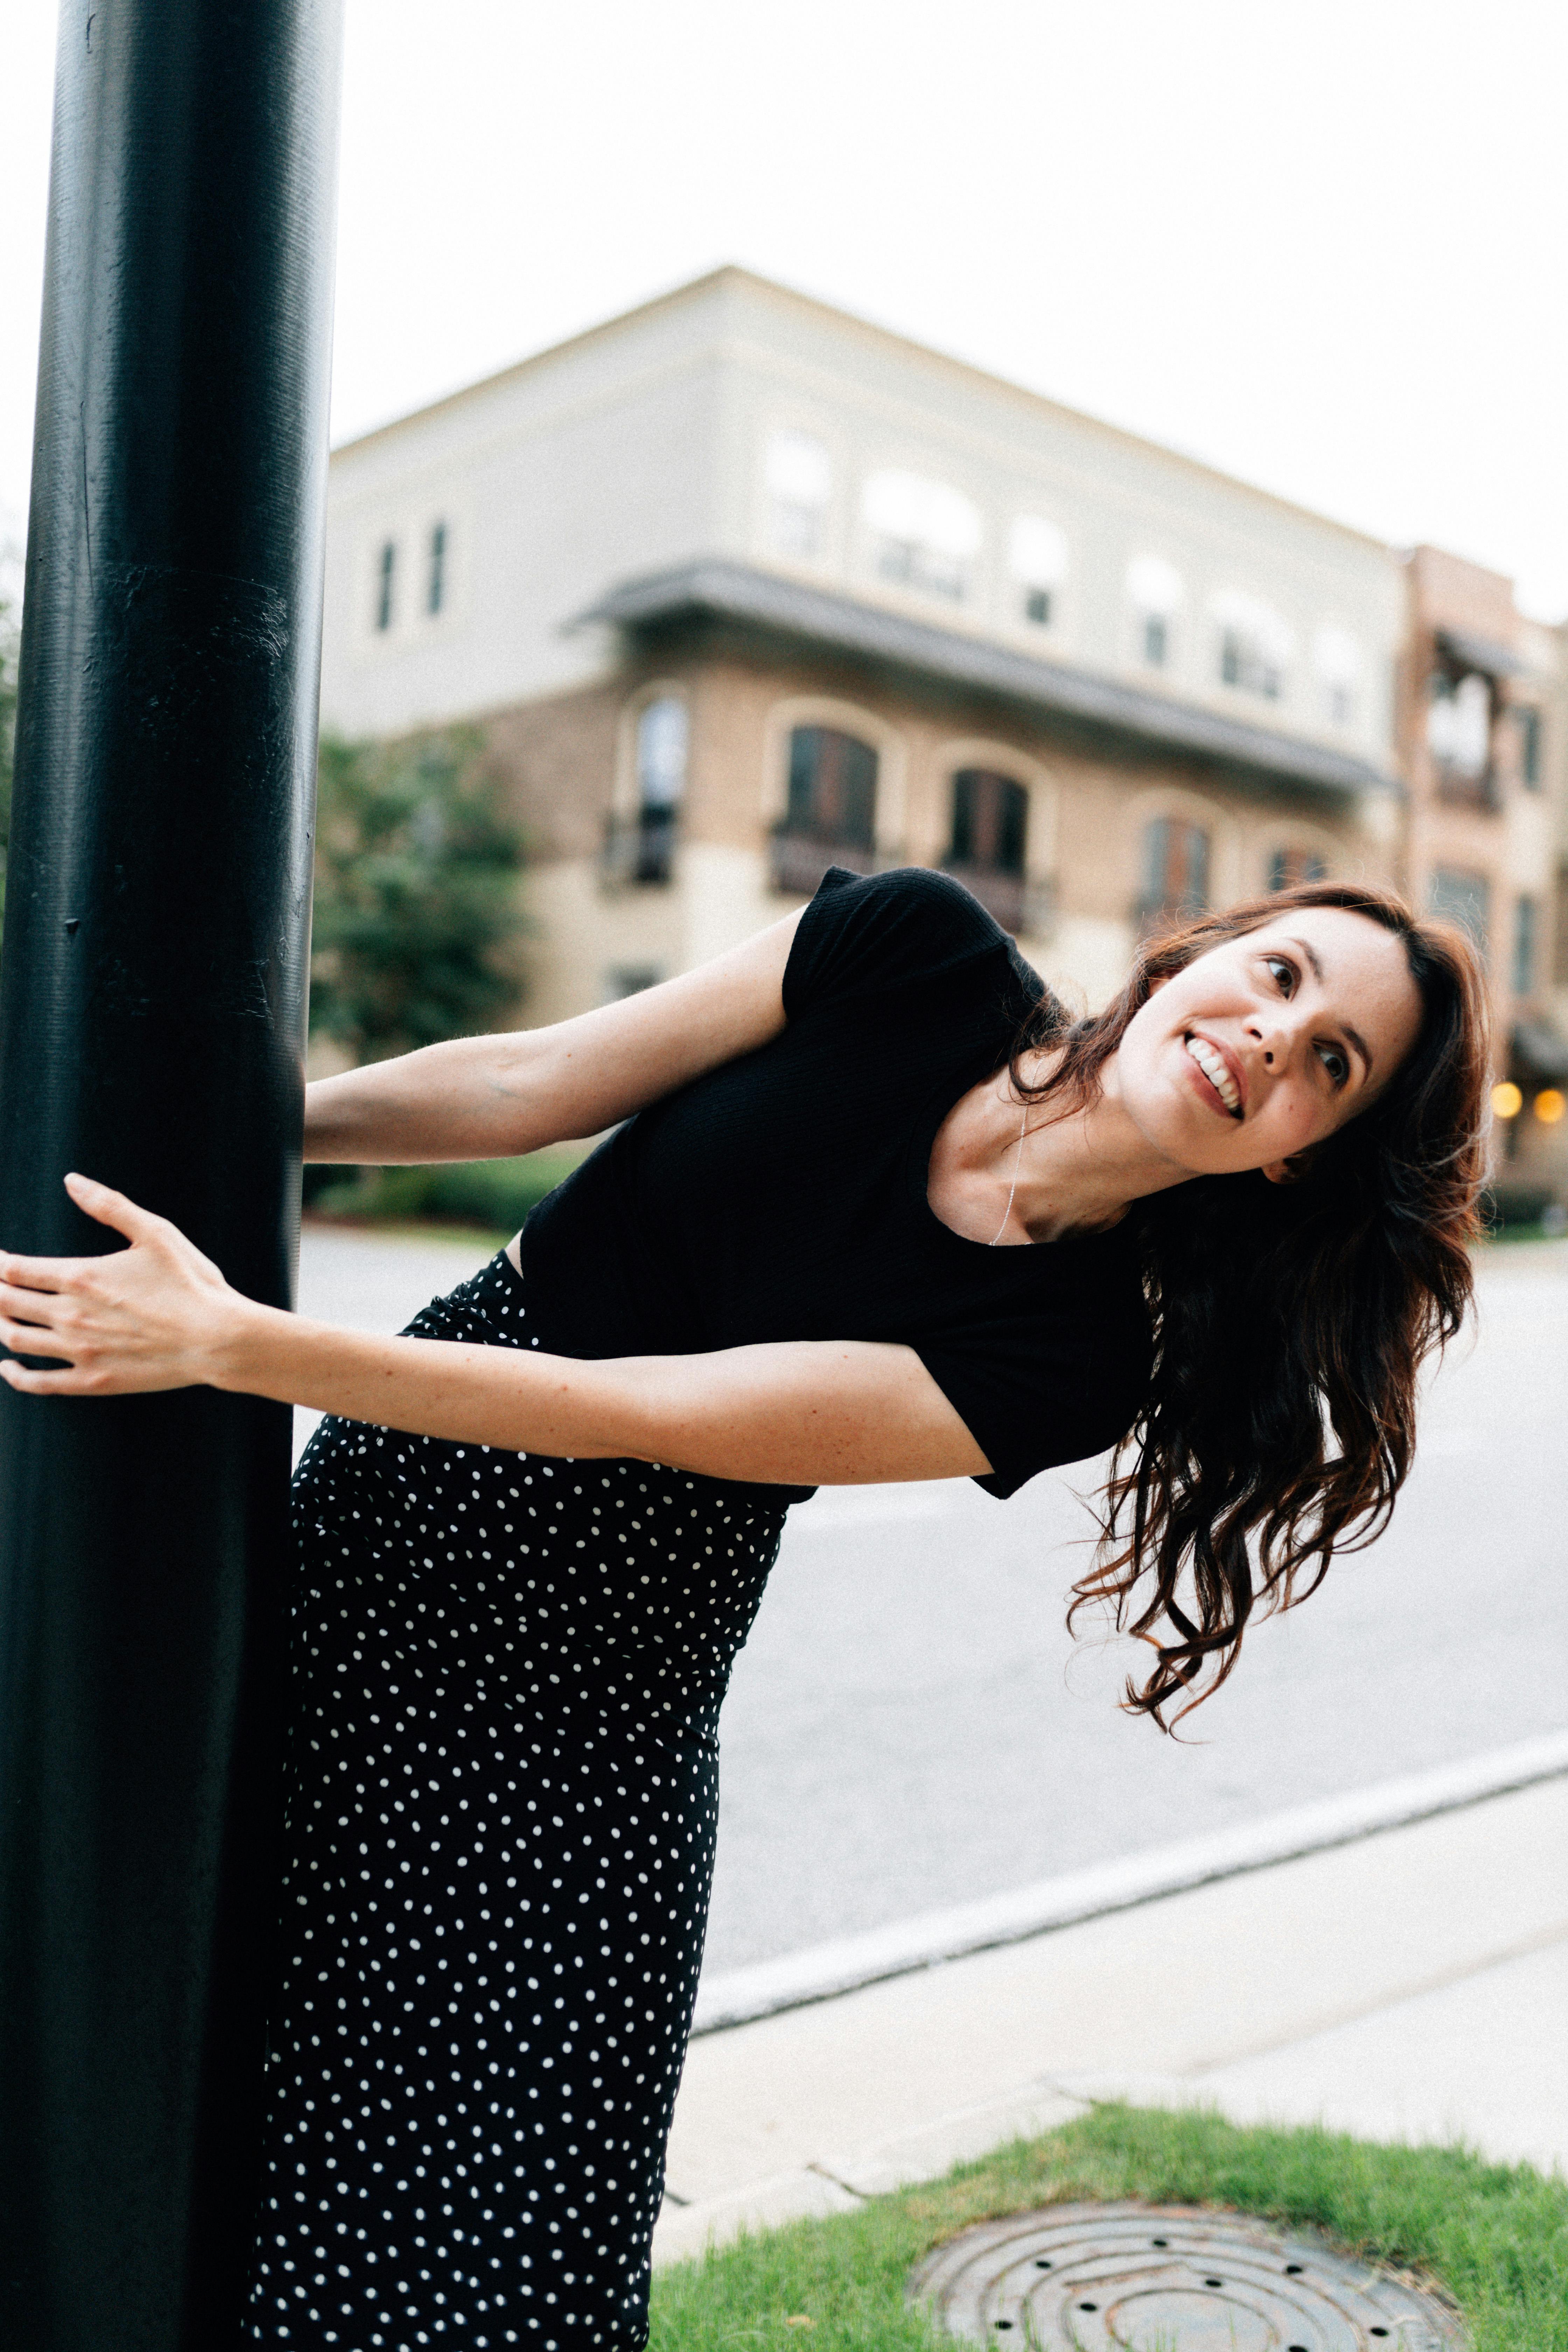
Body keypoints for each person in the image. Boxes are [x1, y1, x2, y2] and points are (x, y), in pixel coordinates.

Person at [0, 867, 1488, 2351]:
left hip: (596, 1722)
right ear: (1203, 954)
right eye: (1283, 978)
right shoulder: (910, 950)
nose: (1272, 1041)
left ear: (1304, 1157)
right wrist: (207, 1134)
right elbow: (531, 1083)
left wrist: (241, 1345)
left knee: (480, 2267)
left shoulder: (1078, 1360)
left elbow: (633, 1415)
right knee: (185, 2045)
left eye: (1331, 1067)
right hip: (393, 1545)